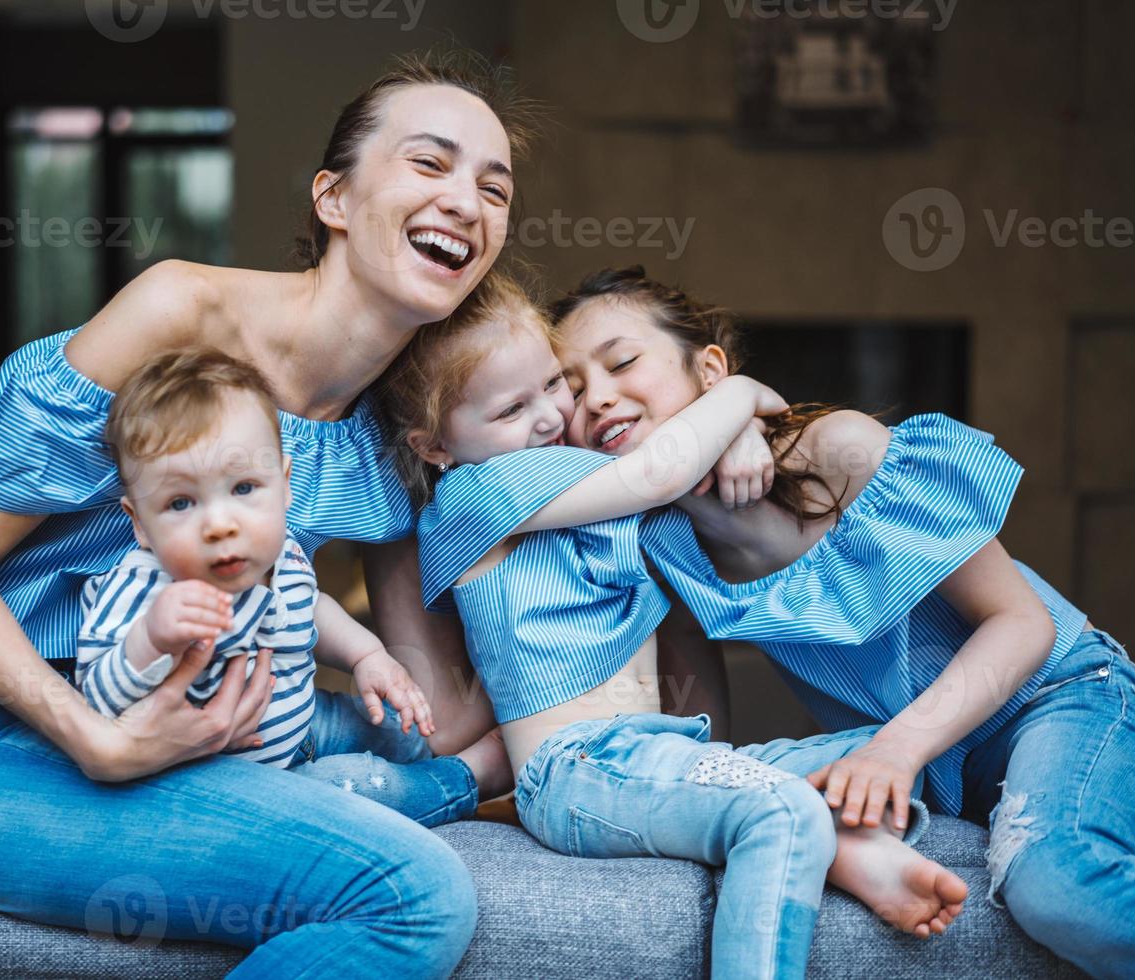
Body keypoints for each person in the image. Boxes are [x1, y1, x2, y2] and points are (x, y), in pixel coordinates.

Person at [0, 49, 536, 976]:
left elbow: (431, 712)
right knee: (413, 896)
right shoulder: (181, 313)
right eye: (430, 163)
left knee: (408, 768)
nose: (466, 202)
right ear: (333, 198)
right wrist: (101, 739)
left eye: (494, 190)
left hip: (198, 726)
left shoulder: (398, 434)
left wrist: (638, 490)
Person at [554, 265, 1135, 980]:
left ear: (710, 372)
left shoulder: (838, 452)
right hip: (951, 776)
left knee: (1054, 882)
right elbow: (705, 739)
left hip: (1065, 696)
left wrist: (895, 750)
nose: (596, 397)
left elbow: (1022, 623)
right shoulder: (661, 548)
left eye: (621, 362)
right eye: (570, 389)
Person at [377, 272, 967, 979]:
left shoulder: (569, 480)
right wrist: (739, 395)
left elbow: (669, 467)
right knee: (780, 811)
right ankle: (820, 850)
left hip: (648, 751)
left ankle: (845, 849)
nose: (549, 415)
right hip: (578, 767)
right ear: (436, 447)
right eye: (511, 408)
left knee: (872, 759)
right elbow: (661, 471)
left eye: (552, 385)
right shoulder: (481, 487)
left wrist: (738, 434)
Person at [76, 345, 506, 820]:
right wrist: (150, 639)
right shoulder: (143, 588)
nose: (219, 525)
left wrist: (366, 655)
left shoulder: (280, 551)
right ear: (140, 524)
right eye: (180, 503)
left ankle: (422, 755)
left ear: (284, 486)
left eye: (243, 488)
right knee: (354, 790)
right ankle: (462, 779)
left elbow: (310, 604)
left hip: (308, 719)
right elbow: (97, 696)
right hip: (238, 779)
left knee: (395, 725)